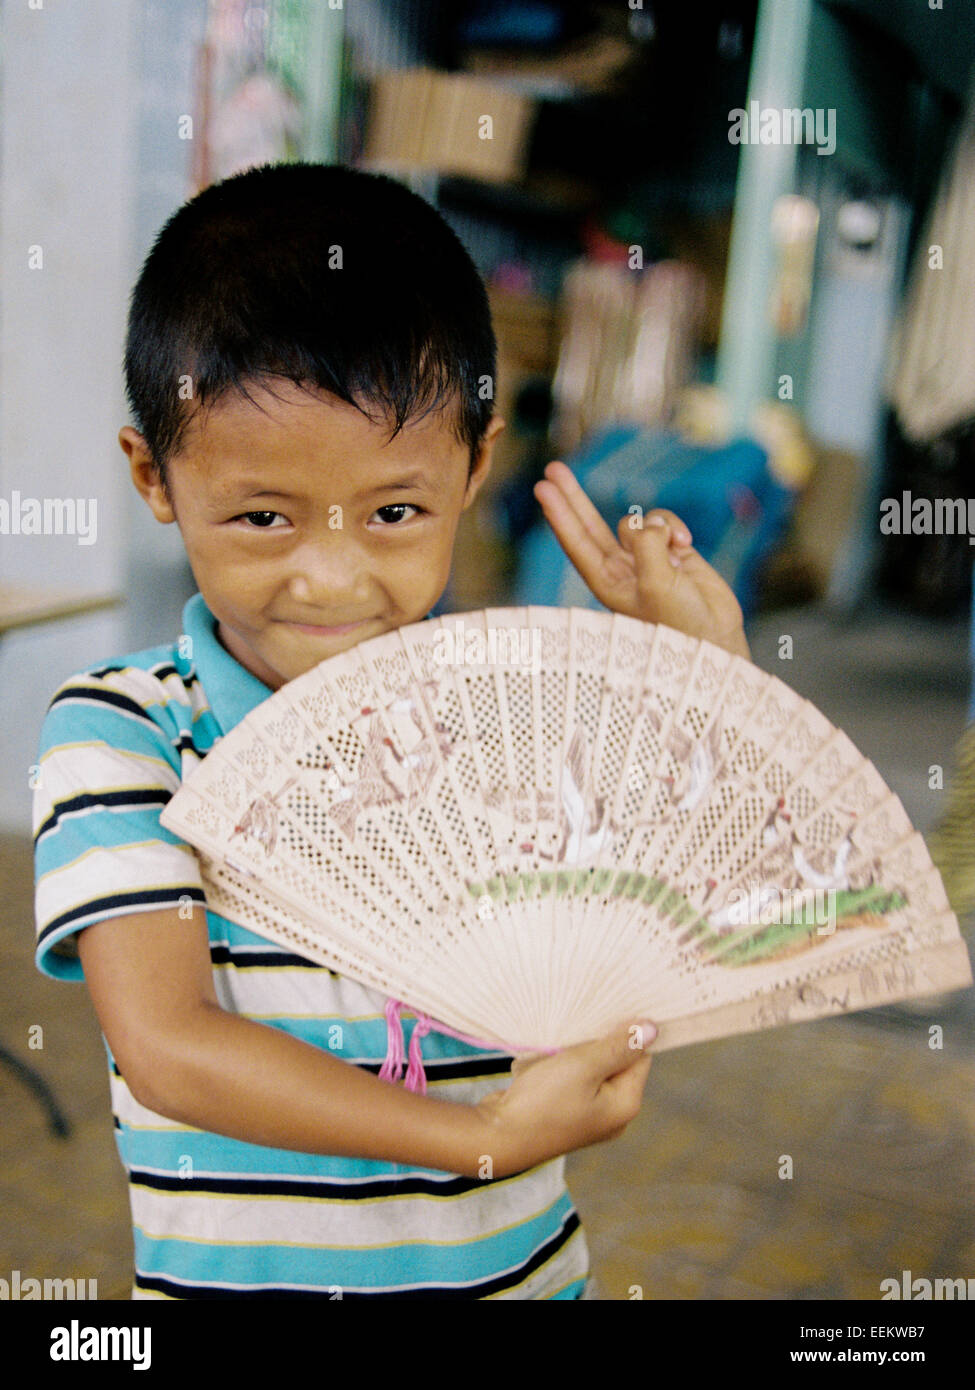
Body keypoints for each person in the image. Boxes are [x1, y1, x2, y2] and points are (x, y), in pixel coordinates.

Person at [32, 163, 749, 1300]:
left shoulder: (522, 722)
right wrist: (482, 1138)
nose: (330, 575)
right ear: (153, 476)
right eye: (263, 515)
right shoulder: (129, 733)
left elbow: (696, 902)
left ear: (477, 464)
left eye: (394, 511)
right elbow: (170, 1045)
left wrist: (713, 674)